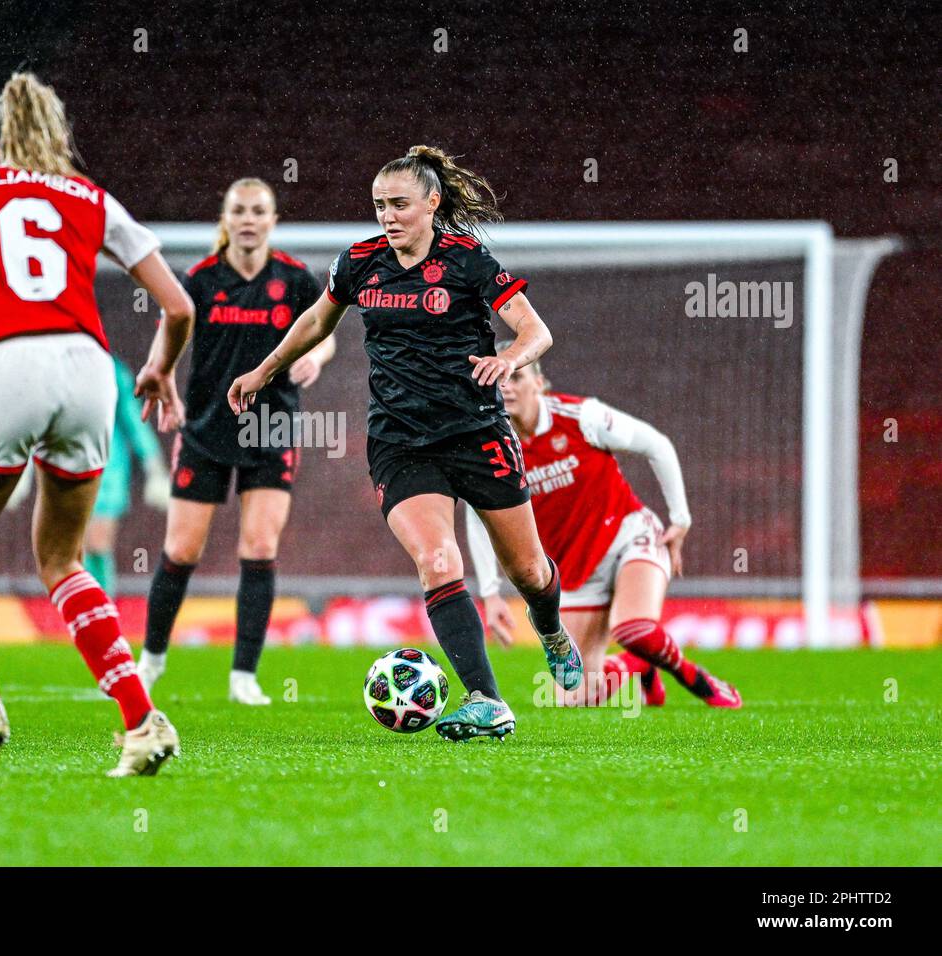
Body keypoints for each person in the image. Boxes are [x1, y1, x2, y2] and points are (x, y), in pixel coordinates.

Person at [0, 72, 194, 777]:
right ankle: (141, 721)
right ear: (59, 142)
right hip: (88, 369)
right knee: (64, 560)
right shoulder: (92, 197)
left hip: (1, 365)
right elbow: (179, 308)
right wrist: (159, 370)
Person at [229, 146, 582, 741]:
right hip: (400, 442)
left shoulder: (467, 260)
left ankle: (549, 628)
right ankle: (486, 700)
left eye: (399, 204)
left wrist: (509, 358)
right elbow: (318, 320)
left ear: (432, 203)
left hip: (476, 432)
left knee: (527, 570)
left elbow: (534, 329)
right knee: (437, 559)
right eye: (378, 206)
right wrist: (264, 370)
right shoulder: (360, 262)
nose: (387, 216)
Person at [138, 178, 336, 704]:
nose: (249, 219)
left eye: (259, 211)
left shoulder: (294, 278)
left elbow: (327, 325)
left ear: (273, 219)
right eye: (239, 211)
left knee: (260, 547)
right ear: (226, 219)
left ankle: (244, 675)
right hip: (206, 428)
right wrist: (163, 377)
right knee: (180, 549)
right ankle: (151, 661)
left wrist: (316, 355)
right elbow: (170, 331)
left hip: (272, 428)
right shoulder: (200, 279)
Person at [466, 362, 742, 707]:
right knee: (571, 697)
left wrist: (680, 519)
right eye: (498, 381)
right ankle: (639, 664)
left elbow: (657, 445)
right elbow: (479, 517)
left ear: (538, 383)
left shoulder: (581, 417)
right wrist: (491, 594)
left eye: (516, 377)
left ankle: (697, 679)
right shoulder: (493, 447)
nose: (505, 388)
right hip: (577, 572)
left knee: (633, 628)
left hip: (628, 537)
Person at [5, 353, 172, 597]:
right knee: (72, 548)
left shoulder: (113, 371)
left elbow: (135, 422)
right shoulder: (54, 369)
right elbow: (38, 420)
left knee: (97, 543)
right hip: (64, 467)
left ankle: (102, 607)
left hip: (107, 471)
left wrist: (154, 467)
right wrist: (21, 471)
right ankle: (86, 611)